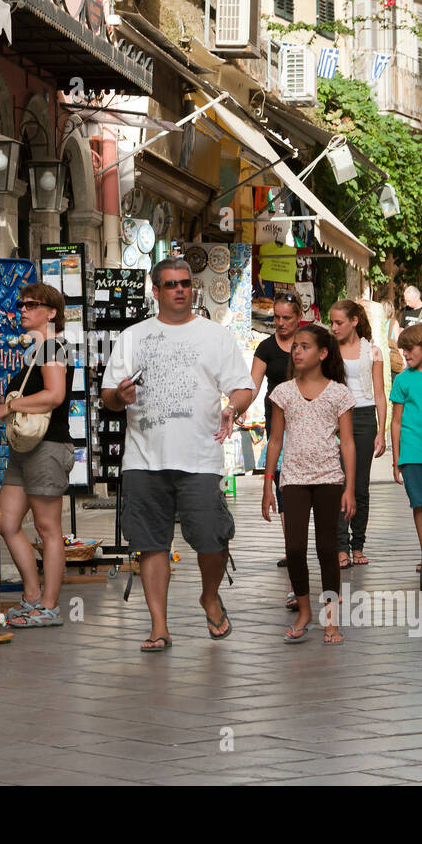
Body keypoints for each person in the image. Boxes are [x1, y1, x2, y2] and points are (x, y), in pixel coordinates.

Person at [101, 257, 254, 651]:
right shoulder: (133, 337)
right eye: (170, 284)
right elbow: (108, 398)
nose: (180, 289)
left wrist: (231, 408)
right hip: (144, 458)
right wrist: (120, 395)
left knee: (211, 537)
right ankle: (158, 626)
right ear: (156, 291)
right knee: (151, 543)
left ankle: (209, 595)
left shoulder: (215, 336)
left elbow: (242, 387)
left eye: (185, 282)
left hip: (200, 458)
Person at [0, 283, 74, 628]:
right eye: (21, 304)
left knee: (48, 528)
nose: (22, 309)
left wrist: (8, 406)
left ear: (51, 313)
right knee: (7, 523)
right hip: (24, 449)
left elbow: (54, 395)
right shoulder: (37, 351)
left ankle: (49, 606)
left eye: (32, 304)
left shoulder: (53, 348)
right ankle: (32, 596)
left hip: (48, 446)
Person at [262, 323, 355, 645]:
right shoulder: (283, 392)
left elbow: (347, 444)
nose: (297, 351)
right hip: (293, 478)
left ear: (323, 353)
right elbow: (275, 441)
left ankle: (331, 619)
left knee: (328, 549)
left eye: (304, 346)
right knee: (295, 548)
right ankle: (303, 610)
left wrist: (350, 488)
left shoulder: (339, 393)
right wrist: (267, 483)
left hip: (330, 478)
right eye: (295, 346)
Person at [327, 300, 386, 568]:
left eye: (339, 322)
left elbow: (379, 392)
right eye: (331, 322)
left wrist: (381, 431)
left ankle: (357, 544)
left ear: (353, 321)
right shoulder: (328, 350)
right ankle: (340, 546)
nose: (334, 327)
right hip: (335, 418)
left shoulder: (372, 352)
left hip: (363, 417)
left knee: (360, 485)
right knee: (338, 482)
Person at [251, 293, 301, 568]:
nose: (280, 323)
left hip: (308, 420)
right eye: (276, 317)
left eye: (286, 318)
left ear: (298, 317)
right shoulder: (266, 348)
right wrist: (239, 406)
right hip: (278, 421)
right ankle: (292, 547)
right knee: (284, 481)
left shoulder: (309, 342)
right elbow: (253, 384)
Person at [390, 323, 422, 574]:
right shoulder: (402, 380)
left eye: (409, 349)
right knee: (419, 504)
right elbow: (396, 420)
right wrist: (396, 458)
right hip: (412, 452)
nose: (405, 355)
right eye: (403, 350)